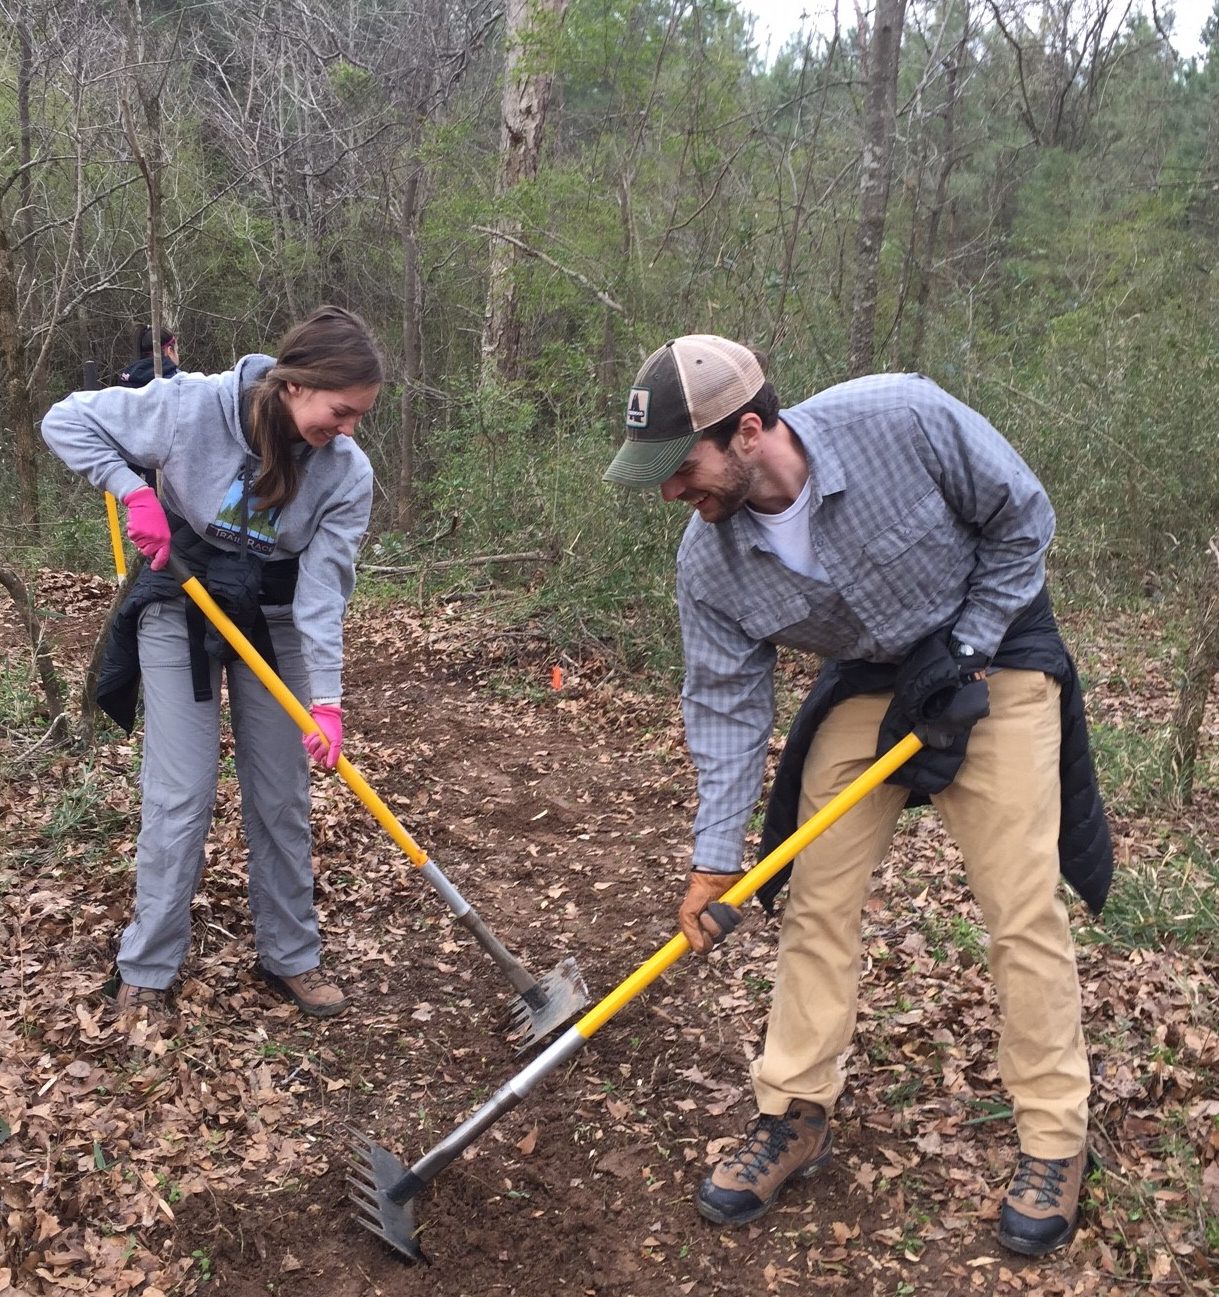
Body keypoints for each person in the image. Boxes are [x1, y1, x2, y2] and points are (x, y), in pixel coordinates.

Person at [603, 336, 1112, 1258]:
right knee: (815, 896)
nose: (673, 495)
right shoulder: (707, 564)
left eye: (681, 470)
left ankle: (1053, 1135)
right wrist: (715, 859)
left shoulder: (900, 418)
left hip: (991, 654)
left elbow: (1021, 517)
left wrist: (970, 642)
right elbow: (723, 707)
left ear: (748, 430)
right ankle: (794, 1109)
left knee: (1019, 905)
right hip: (871, 680)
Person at [41, 306, 382, 1021]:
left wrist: (326, 700)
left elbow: (324, 593)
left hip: (277, 620)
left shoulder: (345, 473)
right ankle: (148, 966)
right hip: (180, 602)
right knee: (180, 792)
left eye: (359, 416)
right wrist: (133, 489)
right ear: (295, 384)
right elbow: (66, 419)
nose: (348, 428)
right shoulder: (191, 405)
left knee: (280, 795)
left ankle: (290, 954)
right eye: (341, 410)